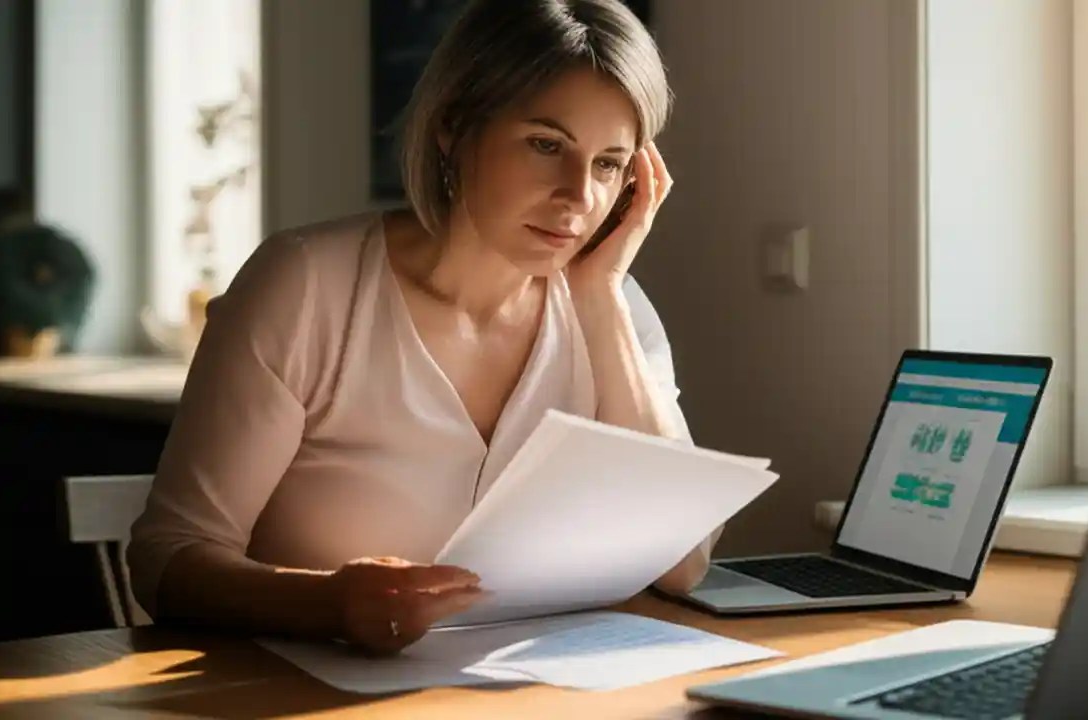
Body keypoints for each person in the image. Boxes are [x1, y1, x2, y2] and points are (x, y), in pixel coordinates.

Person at [128, 0, 715, 655]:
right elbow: (168, 560)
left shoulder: (615, 306)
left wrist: (601, 297)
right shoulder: (306, 287)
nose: (580, 196)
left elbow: (684, 562)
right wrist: (328, 603)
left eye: (608, 163)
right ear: (454, 127)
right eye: (547, 145)